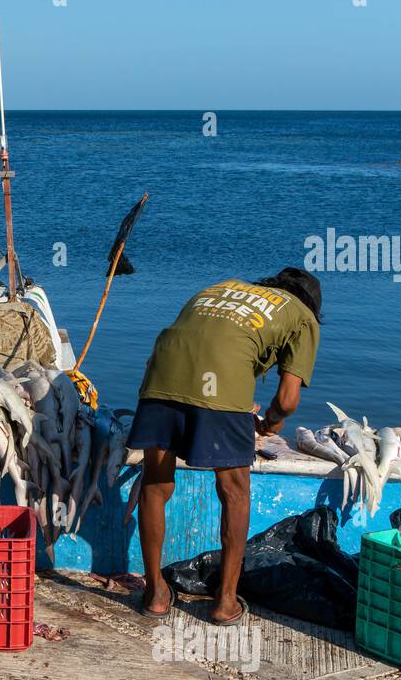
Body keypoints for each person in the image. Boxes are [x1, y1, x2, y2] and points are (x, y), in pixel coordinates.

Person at [128, 267, 322, 624]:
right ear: (313, 304)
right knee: (234, 490)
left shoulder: (224, 286)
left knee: (155, 483)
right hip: (220, 386)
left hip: (160, 375)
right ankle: (225, 602)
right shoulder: (303, 317)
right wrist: (271, 424)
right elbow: (288, 399)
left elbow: (198, 338)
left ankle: (155, 594)